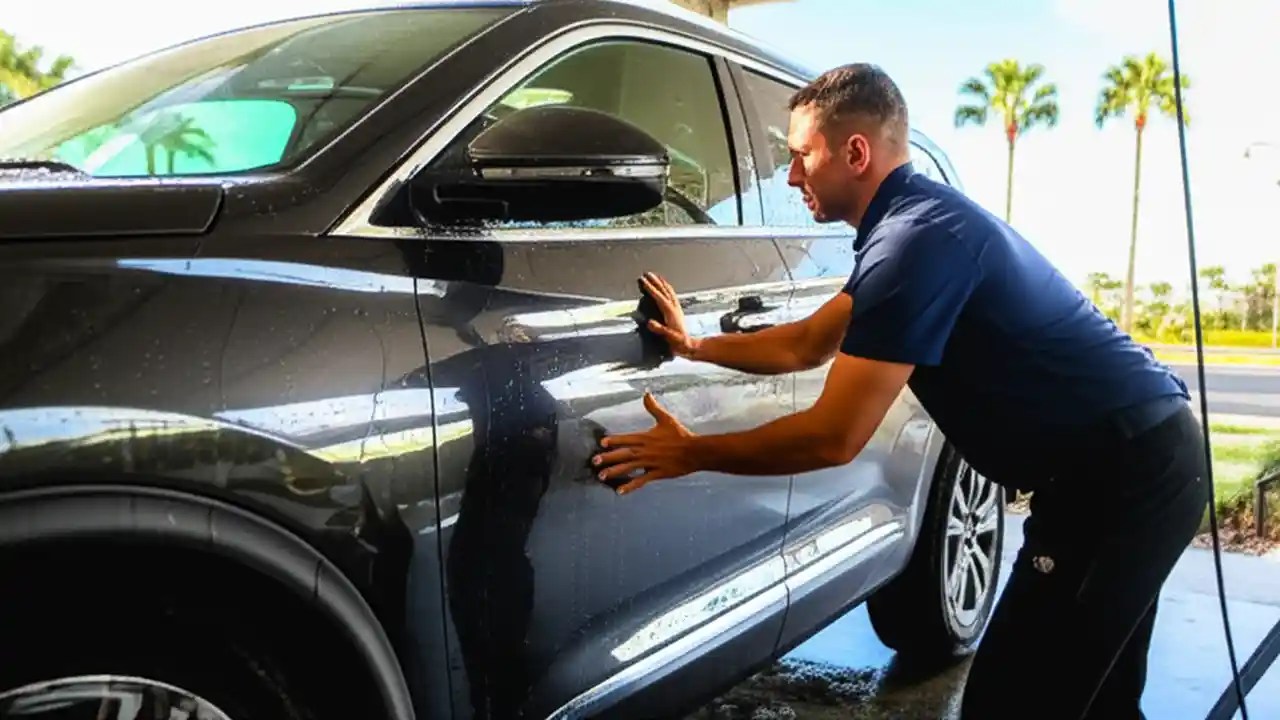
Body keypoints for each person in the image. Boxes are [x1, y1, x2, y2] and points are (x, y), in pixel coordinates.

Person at [591, 63, 1208, 720]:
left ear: (855, 152)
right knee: (1096, 702)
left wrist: (693, 454)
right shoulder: (909, 227)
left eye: (801, 155)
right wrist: (696, 347)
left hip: (1126, 477)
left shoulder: (915, 241)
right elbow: (806, 343)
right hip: (1132, 463)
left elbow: (835, 436)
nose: (791, 175)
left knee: (1013, 704)